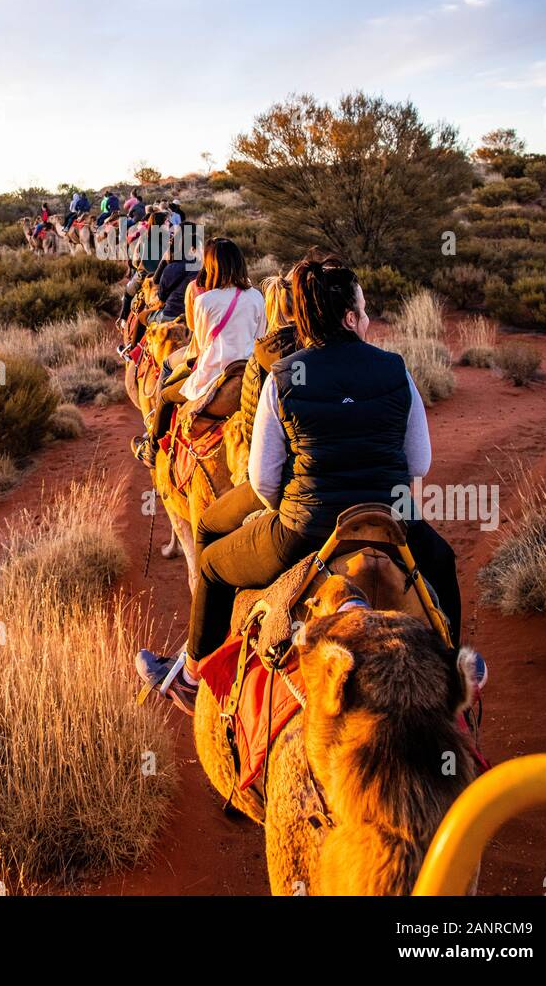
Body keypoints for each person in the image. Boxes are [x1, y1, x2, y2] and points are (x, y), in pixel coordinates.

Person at [136, 252, 463, 715]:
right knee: (444, 562)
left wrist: (296, 498)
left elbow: (264, 480)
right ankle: (456, 676)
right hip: (393, 523)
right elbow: (419, 461)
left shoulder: (284, 376)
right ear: (350, 318)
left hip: (307, 530)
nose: (367, 318)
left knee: (210, 565)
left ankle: (192, 677)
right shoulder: (395, 369)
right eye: (365, 310)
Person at [131, 237, 266, 466]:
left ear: (210, 265)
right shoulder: (256, 296)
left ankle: (152, 447)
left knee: (165, 395)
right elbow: (260, 337)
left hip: (216, 375)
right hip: (250, 372)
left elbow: (200, 346)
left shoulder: (204, 301)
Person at [190, 272, 300, 549]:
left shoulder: (265, 366)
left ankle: (155, 444)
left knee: (168, 390)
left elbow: (254, 433)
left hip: (292, 495)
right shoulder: (331, 356)